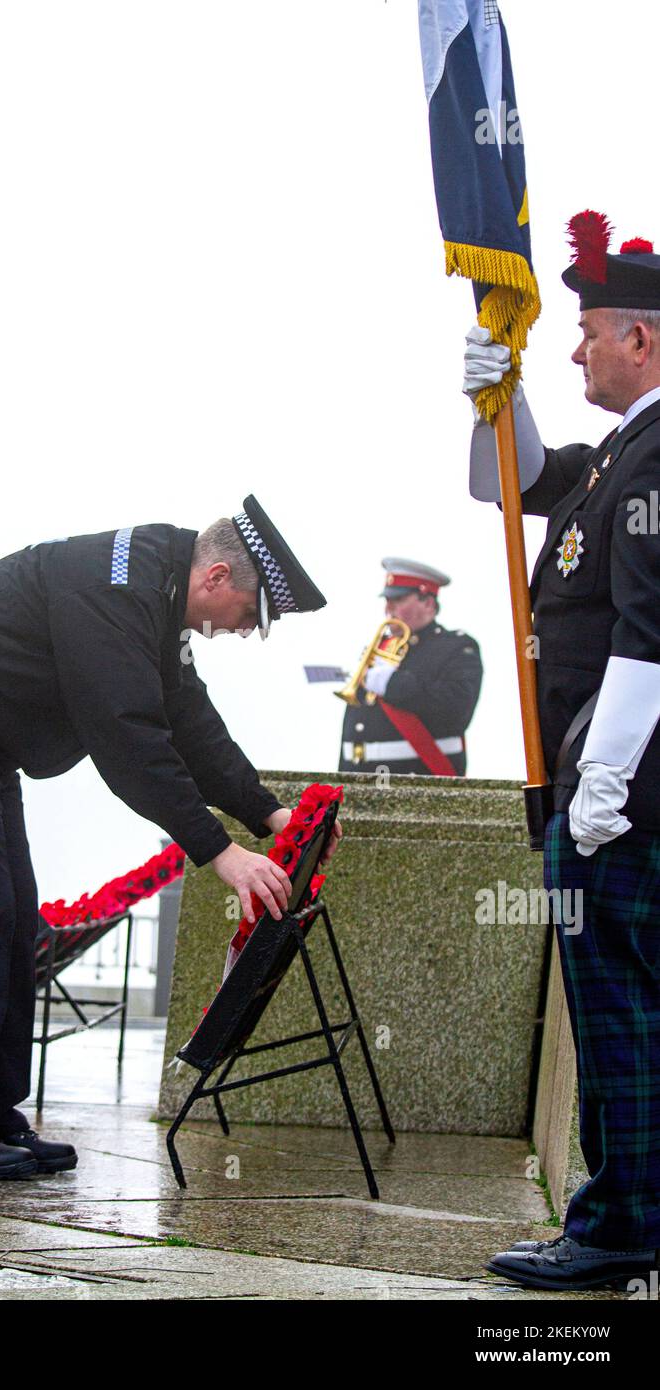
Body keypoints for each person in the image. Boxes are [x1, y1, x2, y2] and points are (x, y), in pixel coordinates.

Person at [0, 495, 340, 1181]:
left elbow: (188, 723)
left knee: (15, 921)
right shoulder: (117, 587)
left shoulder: (158, 589)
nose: (244, 633)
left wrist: (270, 817)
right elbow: (127, 737)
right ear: (219, 576)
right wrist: (218, 851)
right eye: (250, 617)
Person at [464, 212, 660, 1291]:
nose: (573, 348)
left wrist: (603, 782)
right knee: (622, 1013)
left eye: (585, 333)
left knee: (620, 1017)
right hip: (608, 795)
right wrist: (497, 398)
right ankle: (626, 1211)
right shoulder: (614, 456)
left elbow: (651, 634)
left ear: (641, 339)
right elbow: (506, 481)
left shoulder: (658, 450)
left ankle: (618, 1224)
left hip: (623, 803)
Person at [338, 558, 482, 776]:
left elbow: (456, 711)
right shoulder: (382, 646)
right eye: (387, 599)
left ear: (428, 603)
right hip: (359, 777)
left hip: (419, 779)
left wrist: (393, 684)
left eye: (398, 599)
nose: (389, 608)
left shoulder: (457, 647)